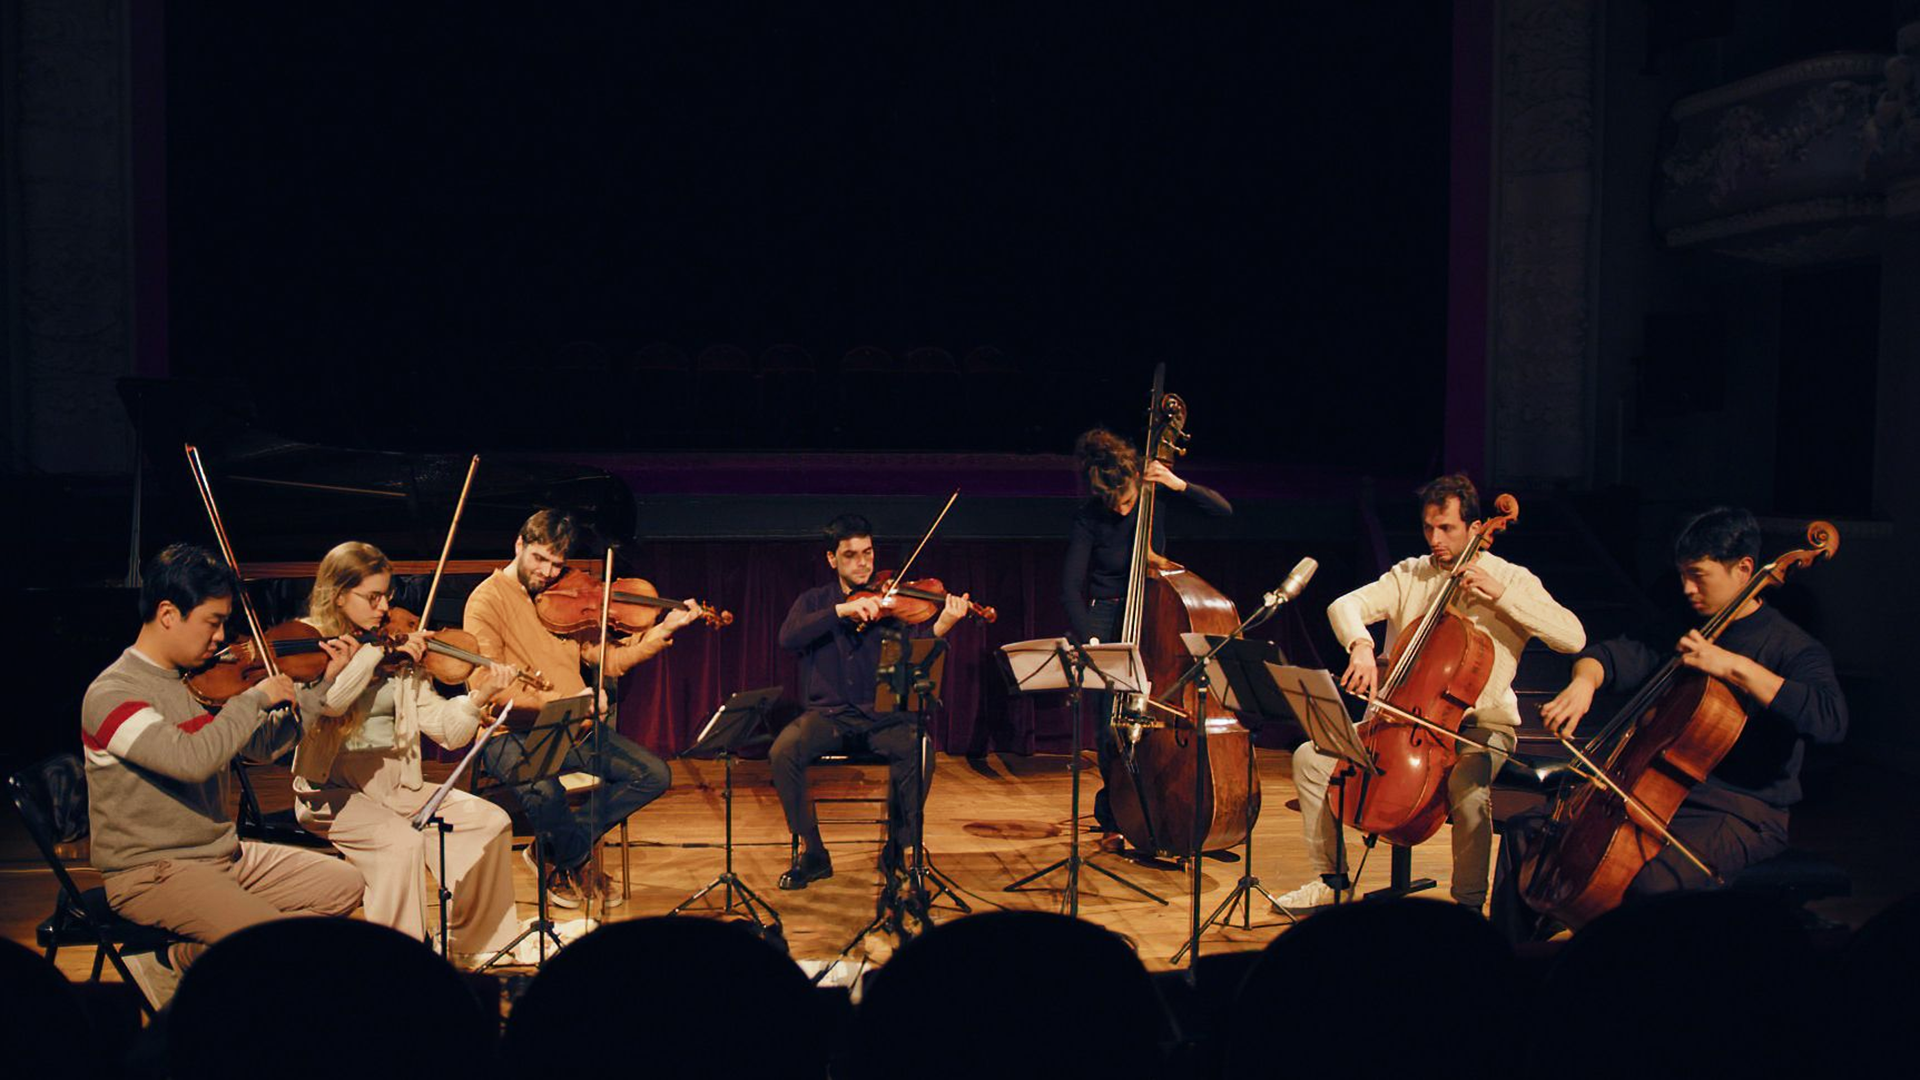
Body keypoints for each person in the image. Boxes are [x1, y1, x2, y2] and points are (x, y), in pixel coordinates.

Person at [1489, 507, 1848, 939]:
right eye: (1682, 576)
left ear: (1745, 569)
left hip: (1738, 813)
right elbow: (1612, 656)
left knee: (1649, 884)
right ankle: (1513, 968)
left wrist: (1734, 667)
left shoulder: (1791, 647)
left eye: (1699, 576)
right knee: (1526, 833)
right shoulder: (1685, 627)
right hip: (1654, 795)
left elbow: (1830, 720)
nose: (1687, 589)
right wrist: (1584, 683)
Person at [1277, 474, 1586, 913]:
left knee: (1466, 782)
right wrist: (1361, 646)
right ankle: (1331, 878)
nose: (1436, 540)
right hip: (1407, 719)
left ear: (1477, 527)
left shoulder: (1511, 580)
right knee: (1310, 757)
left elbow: (1572, 637)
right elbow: (1342, 606)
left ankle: (1468, 905)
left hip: (1484, 725)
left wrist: (1501, 598)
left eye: (1447, 529)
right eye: (1428, 528)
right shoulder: (1411, 573)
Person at [81, 543, 364, 1004]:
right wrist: (252, 700)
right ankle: (208, 974)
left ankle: (179, 959)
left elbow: (263, 746)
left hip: (222, 856)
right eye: (212, 622)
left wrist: (325, 683)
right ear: (168, 614)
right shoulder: (113, 694)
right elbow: (191, 760)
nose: (221, 639)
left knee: (344, 885)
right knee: (273, 946)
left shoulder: (202, 680)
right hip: (153, 871)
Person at [291, 541, 522, 965]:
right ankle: (401, 962)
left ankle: (478, 943)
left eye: (387, 597)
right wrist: (375, 653)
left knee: (490, 822)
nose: (383, 609)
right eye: (372, 598)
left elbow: (448, 733)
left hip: (397, 784)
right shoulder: (310, 642)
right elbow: (331, 702)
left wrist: (479, 696)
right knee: (399, 845)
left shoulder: (396, 654)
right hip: (331, 793)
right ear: (339, 595)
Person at [464, 510, 696, 908]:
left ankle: (551, 851)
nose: (548, 573)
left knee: (653, 774)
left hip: (572, 727)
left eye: (557, 563)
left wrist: (661, 632)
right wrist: (566, 703)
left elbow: (609, 658)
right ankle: (578, 861)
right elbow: (488, 692)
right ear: (519, 545)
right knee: (541, 786)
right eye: (539, 559)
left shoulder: (564, 595)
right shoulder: (486, 601)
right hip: (509, 732)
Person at [772, 514, 972, 889]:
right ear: (831, 559)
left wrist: (943, 625)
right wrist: (841, 611)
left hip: (883, 716)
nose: (863, 562)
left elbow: (916, 654)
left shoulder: (892, 601)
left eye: (867, 552)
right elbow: (789, 637)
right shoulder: (814, 601)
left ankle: (897, 848)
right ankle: (813, 853)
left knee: (920, 749)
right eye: (850, 555)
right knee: (783, 751)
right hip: (830, 716)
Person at [1060, 427, 1232, 841]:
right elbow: (1069, 586)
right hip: (1108, 616)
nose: (1120, 510)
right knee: (1108, 726)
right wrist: (1092, 641)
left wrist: (1178, 483)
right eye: (1111, 502)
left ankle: (1160, 801)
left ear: (1138, 481)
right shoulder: (1090, 515)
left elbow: (1222, 511)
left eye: (1127, 500)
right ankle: (1118, 808)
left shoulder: (1156, 497)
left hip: (1157, 612)